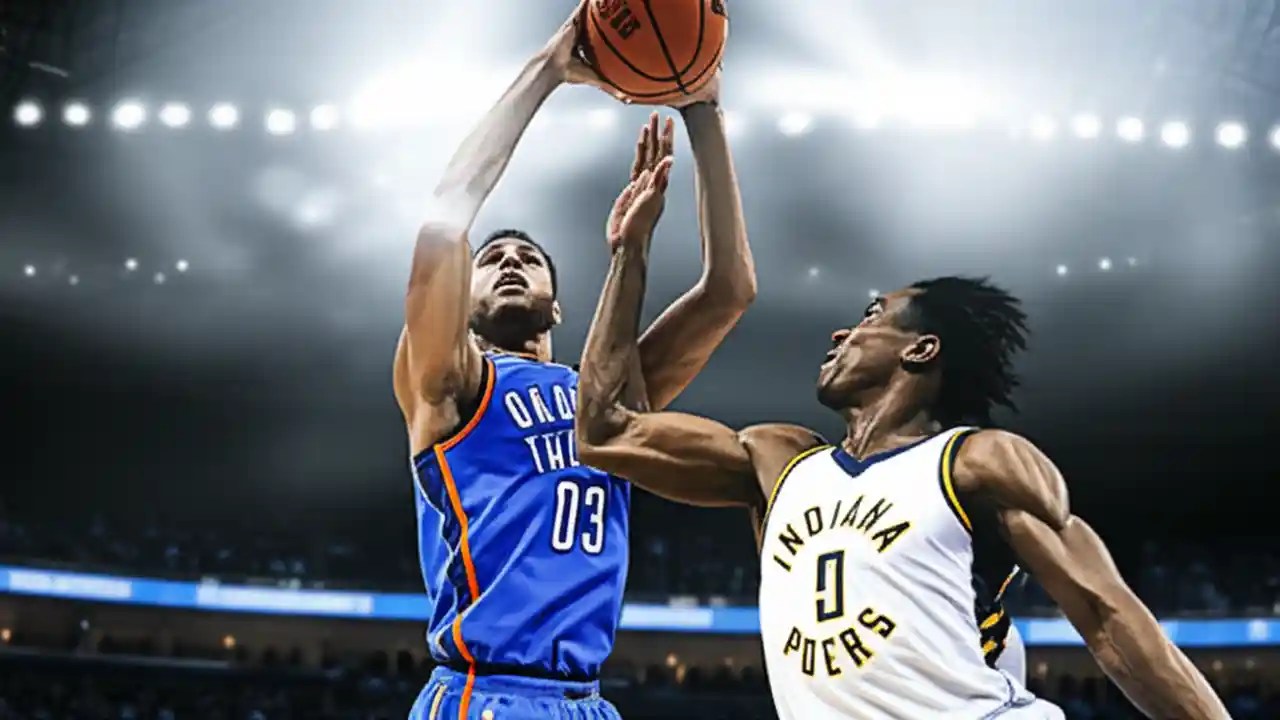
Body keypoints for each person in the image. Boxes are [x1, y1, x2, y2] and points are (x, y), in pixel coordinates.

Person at [574, 199, 1228, 718]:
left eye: (870, 316)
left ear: (921, 350)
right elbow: (603, 433)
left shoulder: (976, 462)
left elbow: (1109, 618)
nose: (840, 332)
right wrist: (629, 254)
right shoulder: (780, 461)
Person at [392, 5, 754, 719]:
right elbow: (446, 217)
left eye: (527, 257)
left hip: (588, 699)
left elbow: (730, 290)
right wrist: (550, 67)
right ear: (460, 308)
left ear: (558, 308)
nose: (510, 262)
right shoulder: (451, 382)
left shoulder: (606, 397)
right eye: (492, 259)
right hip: (484, 690)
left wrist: (702, 109)